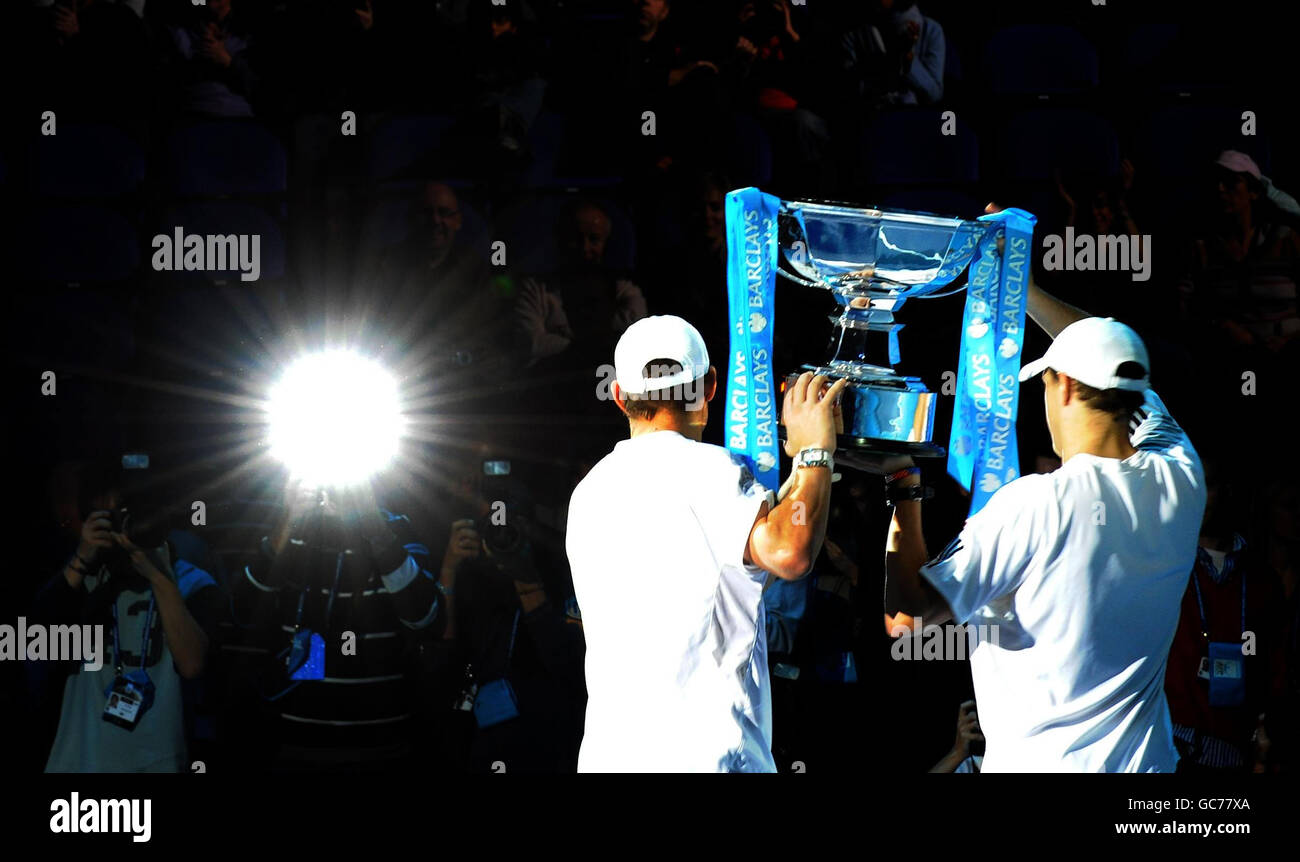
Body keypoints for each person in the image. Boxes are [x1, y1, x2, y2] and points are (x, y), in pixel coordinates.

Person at [878, 267, 1206, 772]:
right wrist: (1020, 285)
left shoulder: (1033, 504)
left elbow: (907, 618)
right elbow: (1119, 363)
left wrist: (904, 488)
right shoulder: (1181, 474)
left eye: (1047, 383)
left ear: (1068, 387)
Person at [565, 314, 847, 772]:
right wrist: (816, 453)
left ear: (619, 396)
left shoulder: (588, 493)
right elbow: (789, 553)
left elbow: (724, 578)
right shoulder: (711, 471)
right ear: (711, 386)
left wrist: (801, 473)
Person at [34, 463, 222, 772]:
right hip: (78, 765)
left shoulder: (192, 582)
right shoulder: (81, 576)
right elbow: (33, 644)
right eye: (112, 516)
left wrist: (159, 576)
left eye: (131, 514)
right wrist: (81, 560)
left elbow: (192, 664)